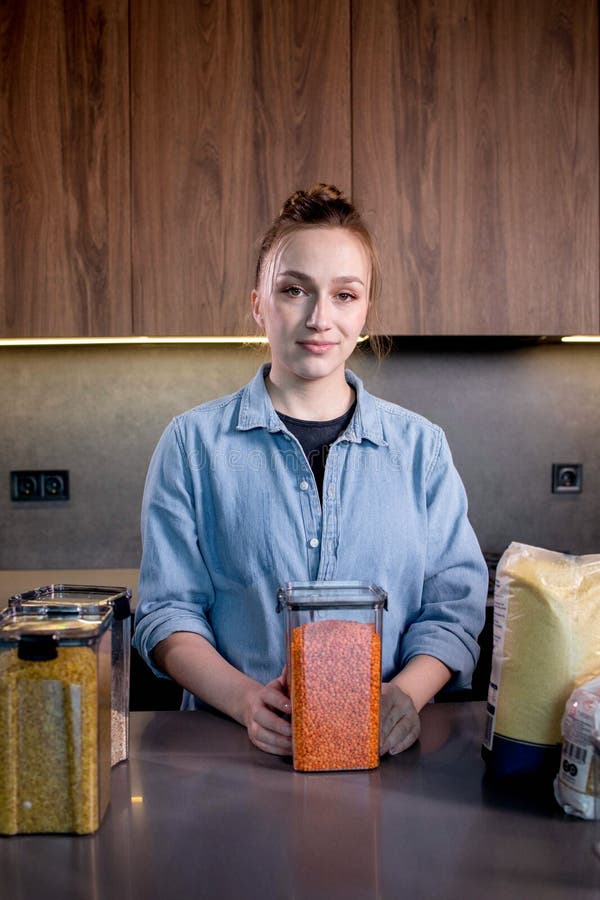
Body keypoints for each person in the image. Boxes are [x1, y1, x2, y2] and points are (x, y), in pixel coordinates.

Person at [133, 184, 488, 758]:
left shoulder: (422, 448)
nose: (321, 318)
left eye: (345, 295)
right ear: (258, 304)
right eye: (294, 289)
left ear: (365, 309)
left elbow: (455, 605)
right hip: (231, 759)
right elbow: (166, 611)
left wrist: (405, 696)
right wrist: (249, 701)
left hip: (386, 756)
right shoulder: (191, 445)